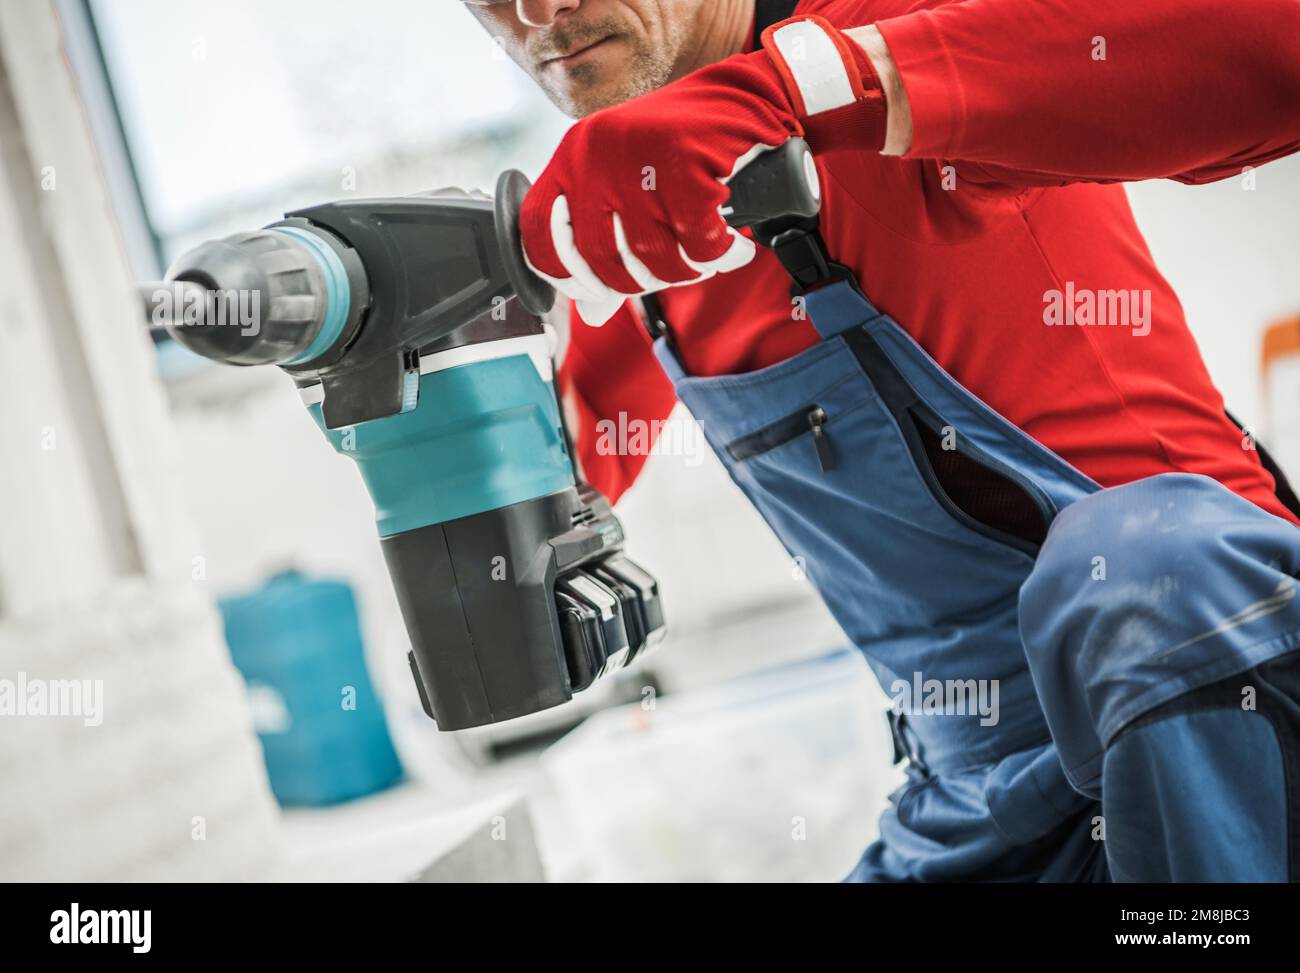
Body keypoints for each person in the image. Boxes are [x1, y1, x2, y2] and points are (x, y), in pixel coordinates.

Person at [466, 0, 1300, 881]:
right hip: (978, 795)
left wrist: (804, 90)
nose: (538, 10)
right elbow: (542, 506)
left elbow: (1274, 48)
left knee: (1141, 561)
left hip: (1220, 699)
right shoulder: (637, 221)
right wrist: (415, 379)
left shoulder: (892, 25)